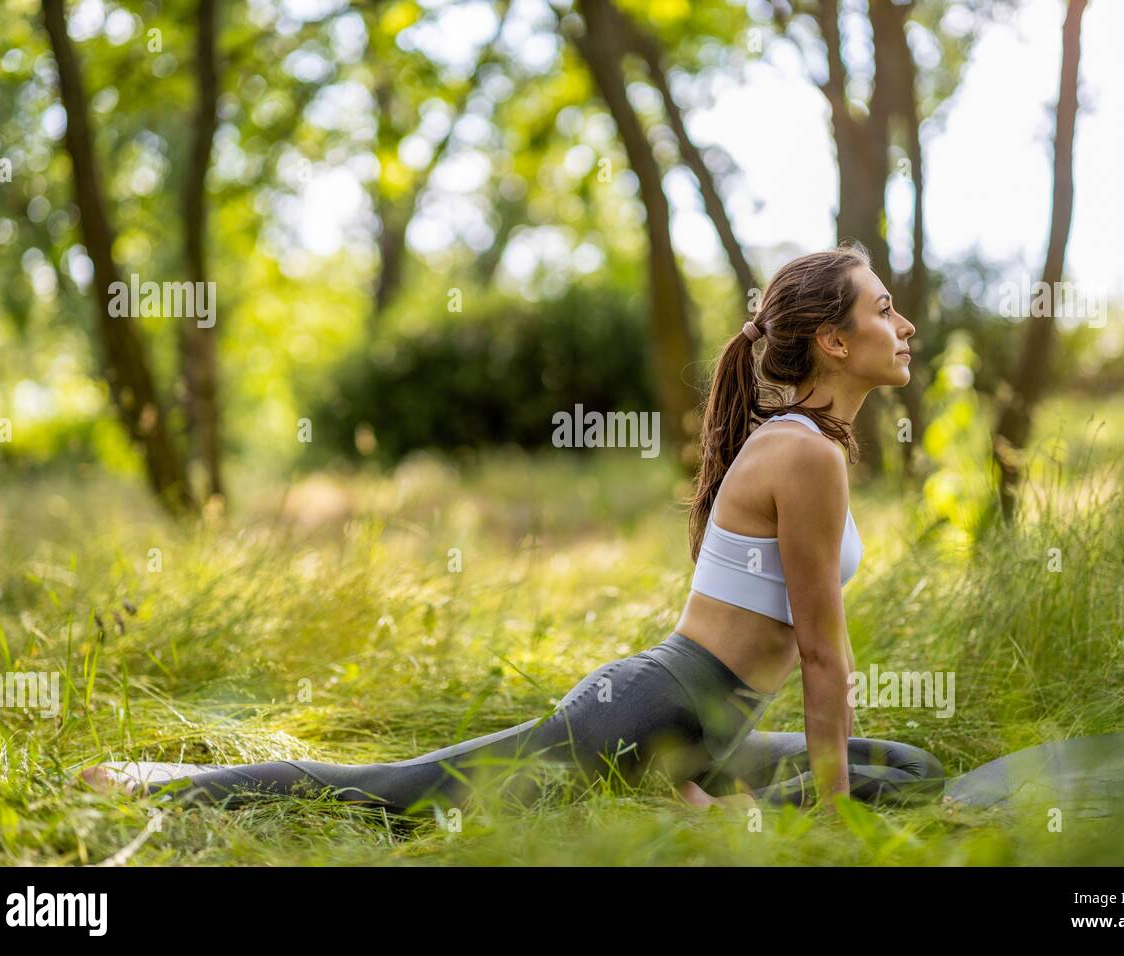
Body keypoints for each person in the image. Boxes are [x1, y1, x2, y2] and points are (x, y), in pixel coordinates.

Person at [80, 242, 944, 816]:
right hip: (652, 710)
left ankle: (699, 806)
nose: (904, 327)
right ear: (832, 340)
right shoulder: (805, 456)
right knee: (399, 795)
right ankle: (159, 783)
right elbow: (826, 658)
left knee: (907, 770)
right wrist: (831, 826)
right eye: (884, 310)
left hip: (706, 729)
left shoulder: (809, 449)